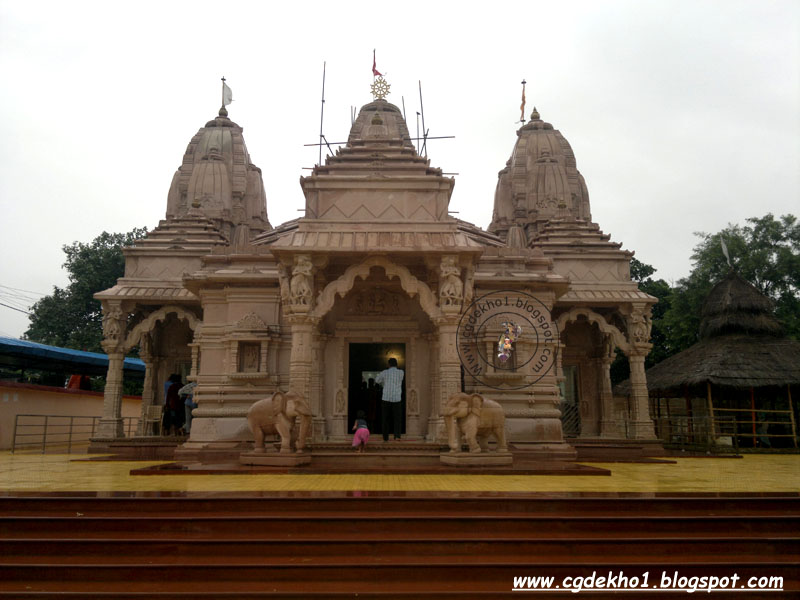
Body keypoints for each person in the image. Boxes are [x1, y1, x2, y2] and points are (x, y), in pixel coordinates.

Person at [375, 357, 404, 441]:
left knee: (385, 419)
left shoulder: (384, 372)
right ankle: (397, 436)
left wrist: (384, 383)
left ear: (388, 365)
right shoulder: (401, 372)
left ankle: (385, 437)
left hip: (386, 398)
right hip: (397, 398)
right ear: (397, 364)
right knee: (397, 418)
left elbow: (377, 380)